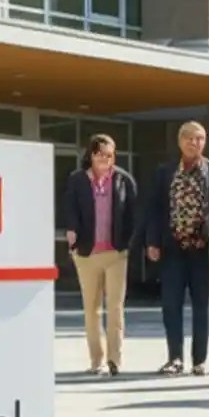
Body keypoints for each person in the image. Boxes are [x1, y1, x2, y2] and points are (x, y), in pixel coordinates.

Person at [145, 121, 209, 376]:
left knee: (202, 306)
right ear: (180, 141)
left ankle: (199, 360)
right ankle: (175, 358)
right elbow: (155, 209)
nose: (195, 143)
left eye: (200, 138)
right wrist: (152, 241)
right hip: (173, 249)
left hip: (203, 251)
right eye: (190, 138)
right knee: (171, 304)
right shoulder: (165, 171)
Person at [63, 133, 139, 377]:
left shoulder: (123, 179)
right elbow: (69, 208)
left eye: (109, 154)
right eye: (100, 154)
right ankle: (97, 360)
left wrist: (128, 242)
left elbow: (132, 213)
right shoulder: (77, 180)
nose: (105, 159)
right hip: (86, 253)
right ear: (91, 155)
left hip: (115, 253)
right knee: (91, 308)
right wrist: (72, 231)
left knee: (115, 307)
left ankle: (114, 359)